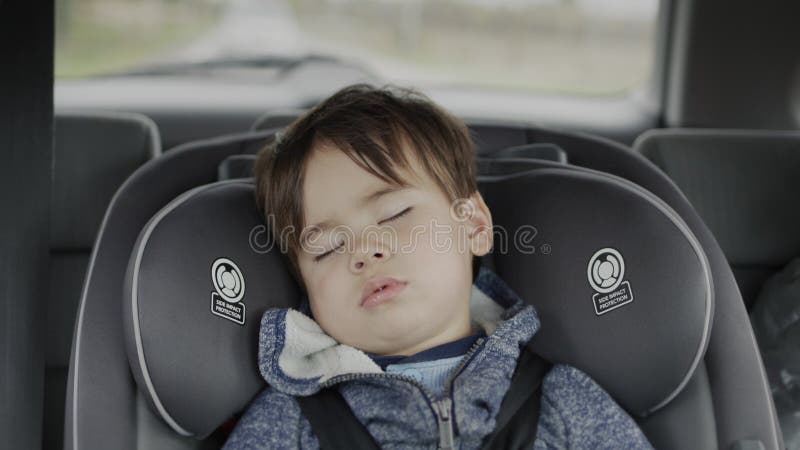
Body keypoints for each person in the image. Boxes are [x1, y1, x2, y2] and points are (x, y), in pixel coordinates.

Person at [223, 83, 652, 449]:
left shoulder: (559, 400)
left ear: (474, 226)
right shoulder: (292, 420)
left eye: (393, 214)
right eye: (328, 247)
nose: (364, 251)